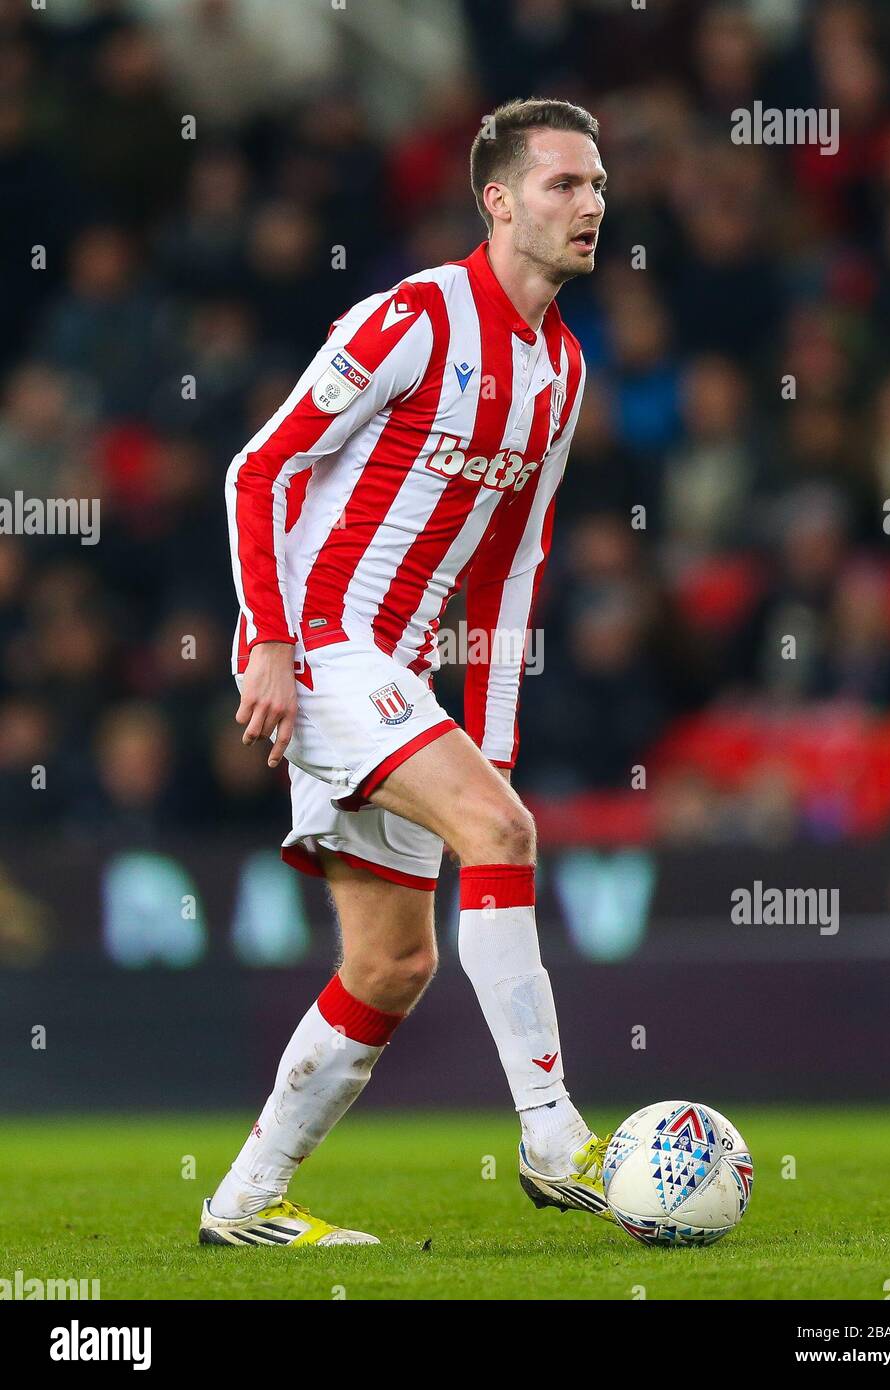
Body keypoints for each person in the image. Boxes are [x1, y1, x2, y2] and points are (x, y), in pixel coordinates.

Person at [201, 98, 610, 1246]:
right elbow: (256, 468)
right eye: (560, 185)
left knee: (390, 961)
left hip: (401, 678)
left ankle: (245, 1203)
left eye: (594, 187)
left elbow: (514, 567)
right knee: (503, 836)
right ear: (496, 199)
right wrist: (272, 641)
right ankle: (549, 1134)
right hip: (323, 642)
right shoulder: (416, 316)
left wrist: (496, 747)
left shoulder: (561, 373)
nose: (587, 206)